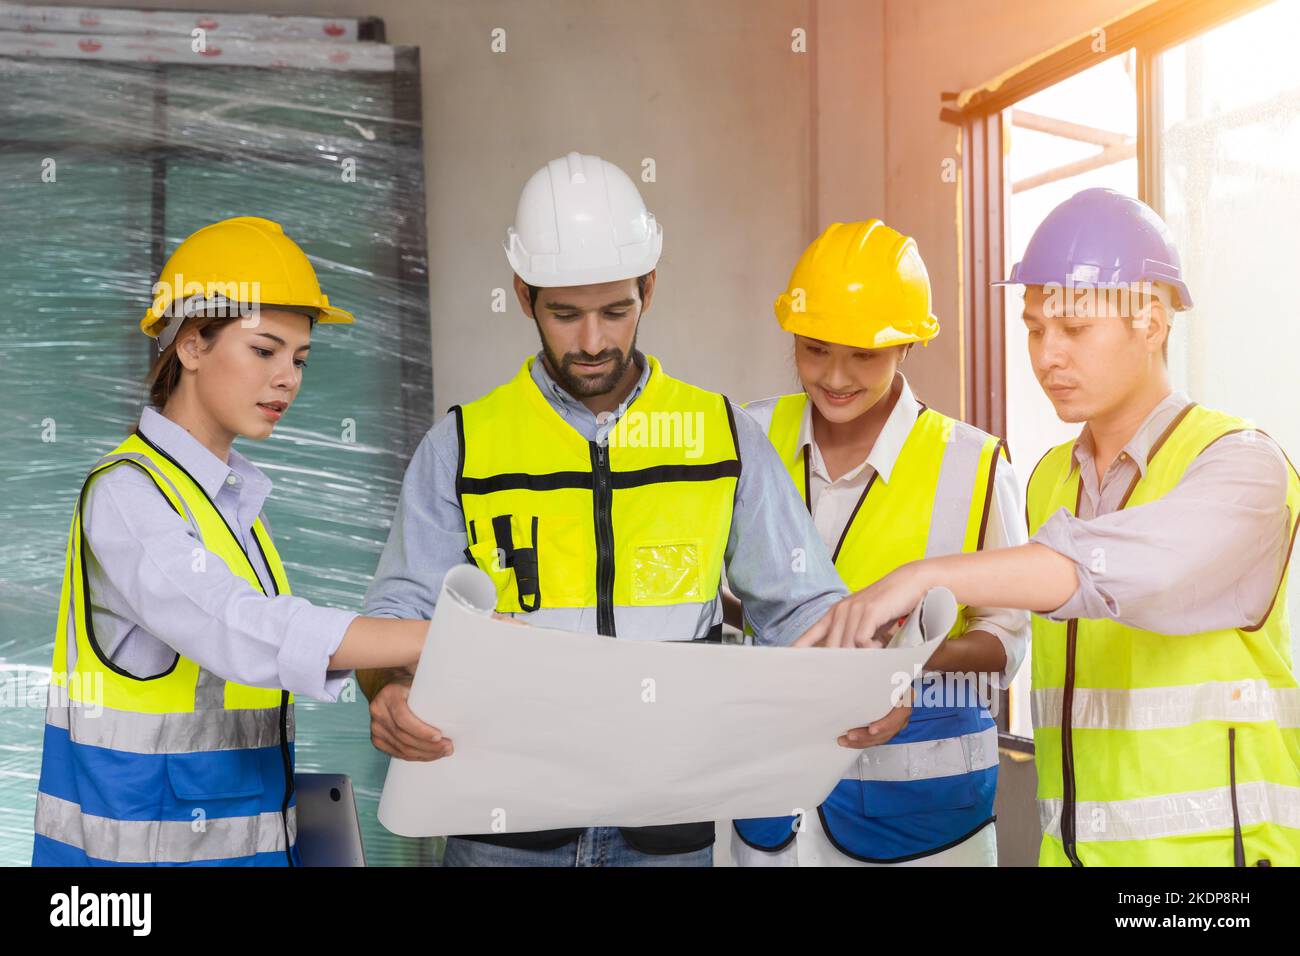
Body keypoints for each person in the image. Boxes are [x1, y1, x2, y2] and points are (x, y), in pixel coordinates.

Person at [359, 152, 910, 867]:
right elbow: (396, 617)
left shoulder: (721, 436)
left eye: (616, 311)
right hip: (503, 827)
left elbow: (802, 605)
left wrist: (866, 682)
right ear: (523, 296)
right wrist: (391, 691)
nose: (592, 341)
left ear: (649, 287)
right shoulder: (462, 447)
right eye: (565, 313)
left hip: (667, 830)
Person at [800, 189, 1300, 867]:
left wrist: (921, 575)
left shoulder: (1243, 467)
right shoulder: (1048, 482)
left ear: (1150, 319)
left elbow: (1114, 569)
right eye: (1035, 328)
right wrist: (895, 668)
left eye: (1074, 329)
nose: (1046, 357)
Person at [33, 217, 433, 867]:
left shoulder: (231, 505)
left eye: (299, 359)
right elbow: (242, 628)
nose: (288, 379)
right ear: (192, 345)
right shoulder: (127, 495)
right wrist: (430, 636)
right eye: (265, 350)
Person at [729, 220, 1028, 866]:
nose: (834, 376)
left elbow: (1008, 645)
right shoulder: (752, 435)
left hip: (925, 828)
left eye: (863, 354)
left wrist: (903, 661)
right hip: (774, 813)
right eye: (814, 349)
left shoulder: (973, 464)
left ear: (909, 347)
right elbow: (721, 595)